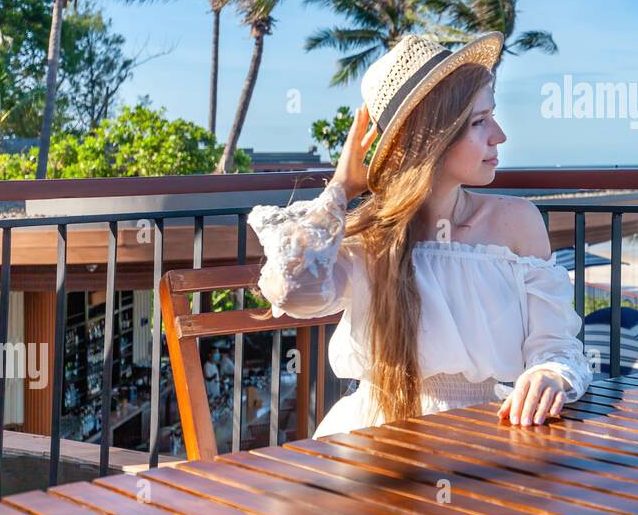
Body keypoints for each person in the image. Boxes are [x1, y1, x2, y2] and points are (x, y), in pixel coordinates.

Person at [248, 31, 592, 439]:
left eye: (491, 116)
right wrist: (341, 188)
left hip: (495, 433)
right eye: (480, 122)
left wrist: (549, 374)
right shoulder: (367, 240)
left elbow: (556, 344)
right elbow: (291, 289)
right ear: (431, 139)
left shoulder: (518, 222)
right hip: (378, 438)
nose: (499, 135)